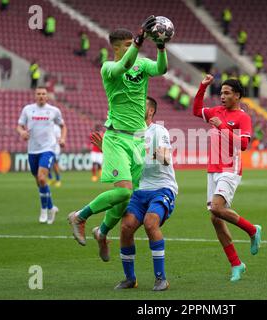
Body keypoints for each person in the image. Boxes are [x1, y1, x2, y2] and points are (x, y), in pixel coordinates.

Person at [67, 16, 168, 247]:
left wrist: (161, 47)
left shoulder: (141, 65)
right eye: (127, 45)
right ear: (115, 47)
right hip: (116, 137)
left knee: (127, 197)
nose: (132, 47)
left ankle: (102, 232)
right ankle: (79, 216)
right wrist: (139, 42)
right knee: (123, 193)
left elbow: (161, 69)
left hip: (139, 138)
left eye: (132, 43)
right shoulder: (108, 68)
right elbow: (123, 66)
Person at [91, 97, 178, 291]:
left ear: (150, 112)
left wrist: (143, 150)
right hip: (140, 190)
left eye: (142, 105)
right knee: (126, 227)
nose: (137, 108)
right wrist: (109, 150)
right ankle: (130, 279)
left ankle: (160, 278)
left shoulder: (158, 130)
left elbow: (165, 158)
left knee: (150, 222)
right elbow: (125, 164)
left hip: (162, 187)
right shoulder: (129, 135)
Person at [193, 74, 262, 282]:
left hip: (230, 167)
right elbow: (196, 110)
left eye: (227, 93)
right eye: (221, 92)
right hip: (213, 168)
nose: (222, 96)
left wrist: (222, 127)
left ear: (237, 96)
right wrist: (202, 86)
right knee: (215, 218)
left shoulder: (243, 117)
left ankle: (252, 230)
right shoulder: (217, 111)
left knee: (216, 208)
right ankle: (236, 264)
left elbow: (243, 144)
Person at [16, 86, 67, 224]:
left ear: (47, 96)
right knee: (39, 182)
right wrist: (22, 132)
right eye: (38, 93)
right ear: (35, 95)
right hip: (32, 150)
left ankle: (44, 210)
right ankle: (51, 207)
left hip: (48, 148)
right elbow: (19, 125)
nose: (41, 96)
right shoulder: (27, 109)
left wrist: (62, 139)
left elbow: (63, 126)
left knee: (42, 177)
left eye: (43, 94)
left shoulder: (54, 111)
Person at [48, 123, 62, 187]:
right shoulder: (46, 125)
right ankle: (50, 179)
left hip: (55, 149)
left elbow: (58, 139)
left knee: (55, 165)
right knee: (46, 165)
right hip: (46, 148)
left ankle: (58, 180)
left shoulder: (56, 127)